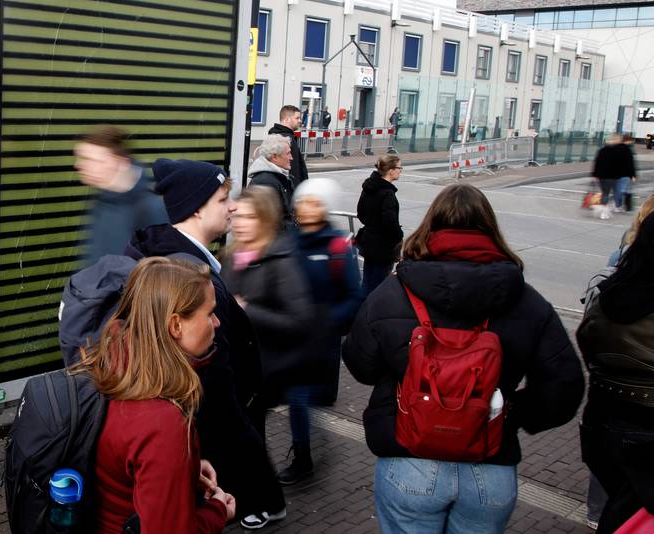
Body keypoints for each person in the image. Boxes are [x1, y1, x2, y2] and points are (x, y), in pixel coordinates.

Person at [342, 184, 585, 533]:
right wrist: (513, 413)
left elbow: (360, 363)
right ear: (490, 229)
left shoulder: (394, 293)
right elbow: (565, 385)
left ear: (430, 226)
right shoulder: (526, 300)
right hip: (489, 463)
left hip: (410, 458)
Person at [126, 159, 287, 530]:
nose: (232, 206)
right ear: (196, 209)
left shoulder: (167, 259)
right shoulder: (193, 278)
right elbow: (213, 379)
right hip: (205, 442)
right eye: (222, 198)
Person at [76, 257, 237, 532]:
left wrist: (184, 469)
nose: (217, 322)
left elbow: (129, 460)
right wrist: (218, 511)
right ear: (176, 325)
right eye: (209, 313)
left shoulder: (112, 364)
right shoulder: (162, 422)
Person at [219, 186, 313, 487]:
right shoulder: (230, 256)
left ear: (266, 219)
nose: (240, 223)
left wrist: (248, 310)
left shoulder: (282, 260)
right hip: (239, 363)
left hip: (268, 367)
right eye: (237, 216)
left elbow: (300, 320)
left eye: (250, 216)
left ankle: (263, 497)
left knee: (248, 431)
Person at [280, 179, 365, 485]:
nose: (306, 208)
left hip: (319, 340)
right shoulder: (289, 242)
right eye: (303, 201)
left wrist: (326, 323)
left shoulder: (338, 246)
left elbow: (354, 296)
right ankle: (305, 451)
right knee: (298, 398)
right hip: (293, 336)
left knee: (300, 397)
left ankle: (303, 457)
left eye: (315, 202)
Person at [578, 212, 654, 534]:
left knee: (621, 507)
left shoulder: (604, 293)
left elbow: (587, 345)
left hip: (604, 422)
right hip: (648, 429)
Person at [73, 125, 167, 266]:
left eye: (89, 159)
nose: (79, 165)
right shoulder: (101, 201)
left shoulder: (150, 207)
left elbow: (163, 271)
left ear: (118, 161)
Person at [356, 154, 404, 294]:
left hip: (369, 241)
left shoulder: (369, 187)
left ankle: (360, 310)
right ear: (391, 170)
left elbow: (360, 212)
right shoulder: (387, 193)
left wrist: (372, 224)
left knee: (367, 281)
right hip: (383, 246)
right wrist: (399, 235)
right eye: (399, 168)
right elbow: (390, 221)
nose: (401, 171)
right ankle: (370, 313)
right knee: (379, 285)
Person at [247, 134, 294, 227]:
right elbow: (269, 224)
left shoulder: (279, 176)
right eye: (288, 153)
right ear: (275, 157)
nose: (291, 157)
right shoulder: (264, 183)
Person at [591, 133, 636, 220]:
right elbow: (625, 164)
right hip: (613, 176)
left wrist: (595, 174)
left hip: (602, 176)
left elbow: (597, 162)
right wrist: (630, 174)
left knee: (606, 193)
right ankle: (605, 210)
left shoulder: (602, 150)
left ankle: (604, 209)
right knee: (614, 193)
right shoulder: (620, 150)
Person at [268, 105, 308, 185]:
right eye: (297, 118)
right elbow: (293, 169)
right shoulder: (285, 139)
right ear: (287, 119)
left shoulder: (279, 135)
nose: (300, 121)